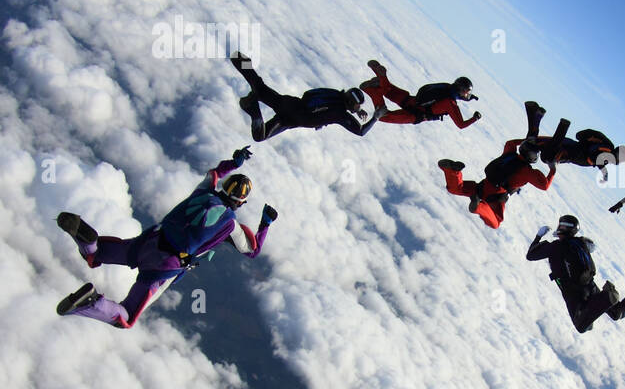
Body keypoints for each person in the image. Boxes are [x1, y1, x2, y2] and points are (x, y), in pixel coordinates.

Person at [55, 148, 275, 329]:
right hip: (165, 265)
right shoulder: (231, 227)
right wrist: (264, 224)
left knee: (98, 254)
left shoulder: (203, 192)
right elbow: (252, 251)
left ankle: (91, 243)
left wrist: (234, 163)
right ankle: (94, 303)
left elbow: (214, 173)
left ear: (225, 188)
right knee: (127, 316)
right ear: (242, 202)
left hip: (150, 240)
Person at [526, 215, 625, 332]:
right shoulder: (580, 242)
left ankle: (609, 296)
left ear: (565, 228)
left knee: (581, 325)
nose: (558, 228)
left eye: (561, 225)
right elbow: (591, 247)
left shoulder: (557, 246)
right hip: (589, 285)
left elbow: (531, 255)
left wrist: (538, 236)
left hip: (573, 291)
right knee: (614, 314)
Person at [230, 53, 383, 141]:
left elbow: (310, 95)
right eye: (357, 106)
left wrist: (356, 111)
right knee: (259, 136)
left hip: (290, 103)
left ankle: (242, 62)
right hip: (291, 119)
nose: (358, 108)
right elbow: (361, 131)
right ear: (351, 103)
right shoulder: (340, 114)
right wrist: (375, 117)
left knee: (259, 88)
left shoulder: (336, 94)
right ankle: (253, 109)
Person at [438, 141, 556, 230]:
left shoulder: (510, 154)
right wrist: (553, 170)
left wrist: (527, 140)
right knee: (495, 222)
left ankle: (452, 171)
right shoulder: (528, 172)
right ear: (532, 157)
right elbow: (544, 186)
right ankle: (479, 206)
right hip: (495, 195)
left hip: (483, 185)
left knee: (456, 188)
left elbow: (511, 143)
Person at [510, 101, 625, 181]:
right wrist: (604, 172)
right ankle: (536, 116)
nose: (620, 162)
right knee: (541, 152)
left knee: (534, 145)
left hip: (567, 147)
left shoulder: (606, 150)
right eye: (622, 159)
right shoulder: (607, 152)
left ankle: (534, 114)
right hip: (565, 149)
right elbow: (597, 157)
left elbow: (595, 155)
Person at [358, 60, 482, 128]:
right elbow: (461, 124)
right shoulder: (451, 103)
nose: (466, 96)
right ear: (462, 91)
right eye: (466, 93)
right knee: (383, 116)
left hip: (413, 101)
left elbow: (456, 95)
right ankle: (372, 91)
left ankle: (381, 79)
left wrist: (469, 97)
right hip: (415, 114)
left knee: (389, 90)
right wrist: (474, 118)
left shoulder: (446, 87)